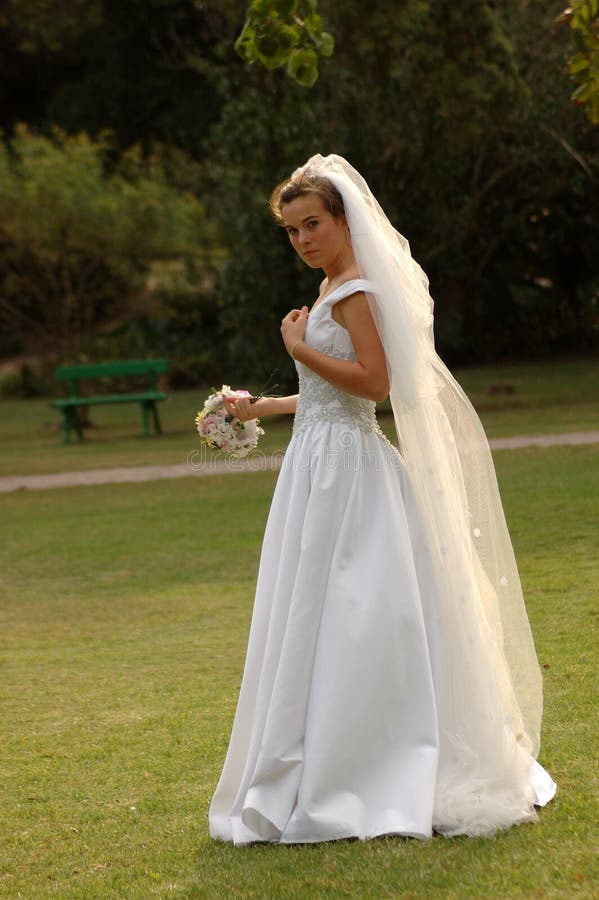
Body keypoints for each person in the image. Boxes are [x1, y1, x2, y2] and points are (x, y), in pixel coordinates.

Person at [208, 154, 556, 845]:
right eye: (290, 230)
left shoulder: (357, 290)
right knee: (315, 610)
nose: (303, 239)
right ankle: (318, 755)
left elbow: (372, 384)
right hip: (316, 462)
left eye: (312, 224)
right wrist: (256, 407)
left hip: (351, 473)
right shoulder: (334, 285)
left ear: (343, 220)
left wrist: (300, 349)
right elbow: (321, 400)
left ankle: (367, 761)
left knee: (359, 610)